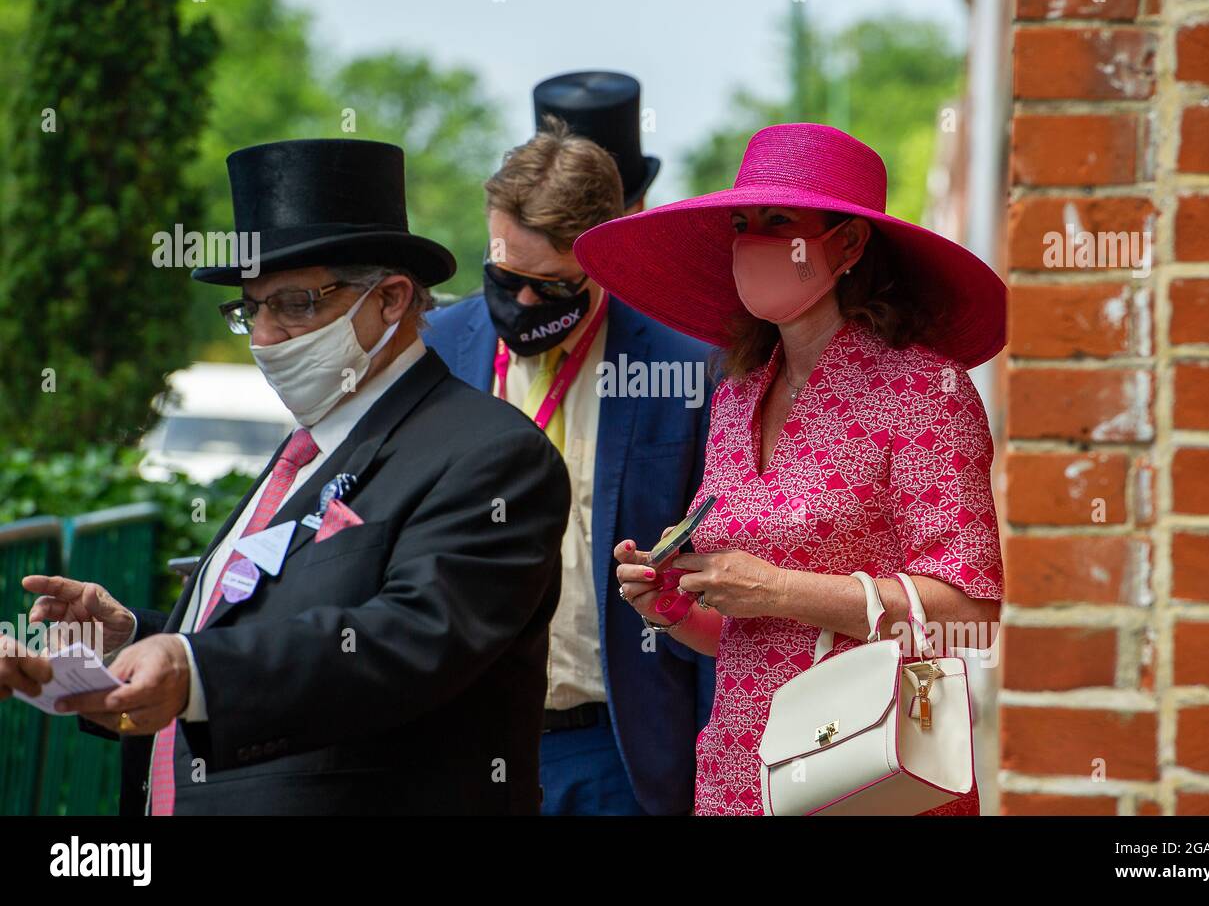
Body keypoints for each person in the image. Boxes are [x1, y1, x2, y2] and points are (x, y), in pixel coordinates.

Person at [22, 138, 571, 815]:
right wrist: (136, 637)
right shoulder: (311, 446)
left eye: (296, 303)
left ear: (392, 298)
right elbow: (281, 618)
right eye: (250, 308)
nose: (266, 337)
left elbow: (407, 639)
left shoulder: (490, 454)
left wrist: (195, 672)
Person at [576, 122, 1007, 816]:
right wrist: (676, 603)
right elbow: (752, 636)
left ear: (849, 243)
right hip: (741, 773)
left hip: (873, 775)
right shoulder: (734, 396)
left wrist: (779, 586)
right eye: (744, 223)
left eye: (780, 221)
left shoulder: (926, 391)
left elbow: (972, 615)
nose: (753, 240)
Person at [423, 72, 715, 816]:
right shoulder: (431, 349)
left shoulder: (685, 367)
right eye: (503, 275)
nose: (521, 303)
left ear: (605, 261)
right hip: (455, 741)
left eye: (550, 287)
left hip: (615, 750)